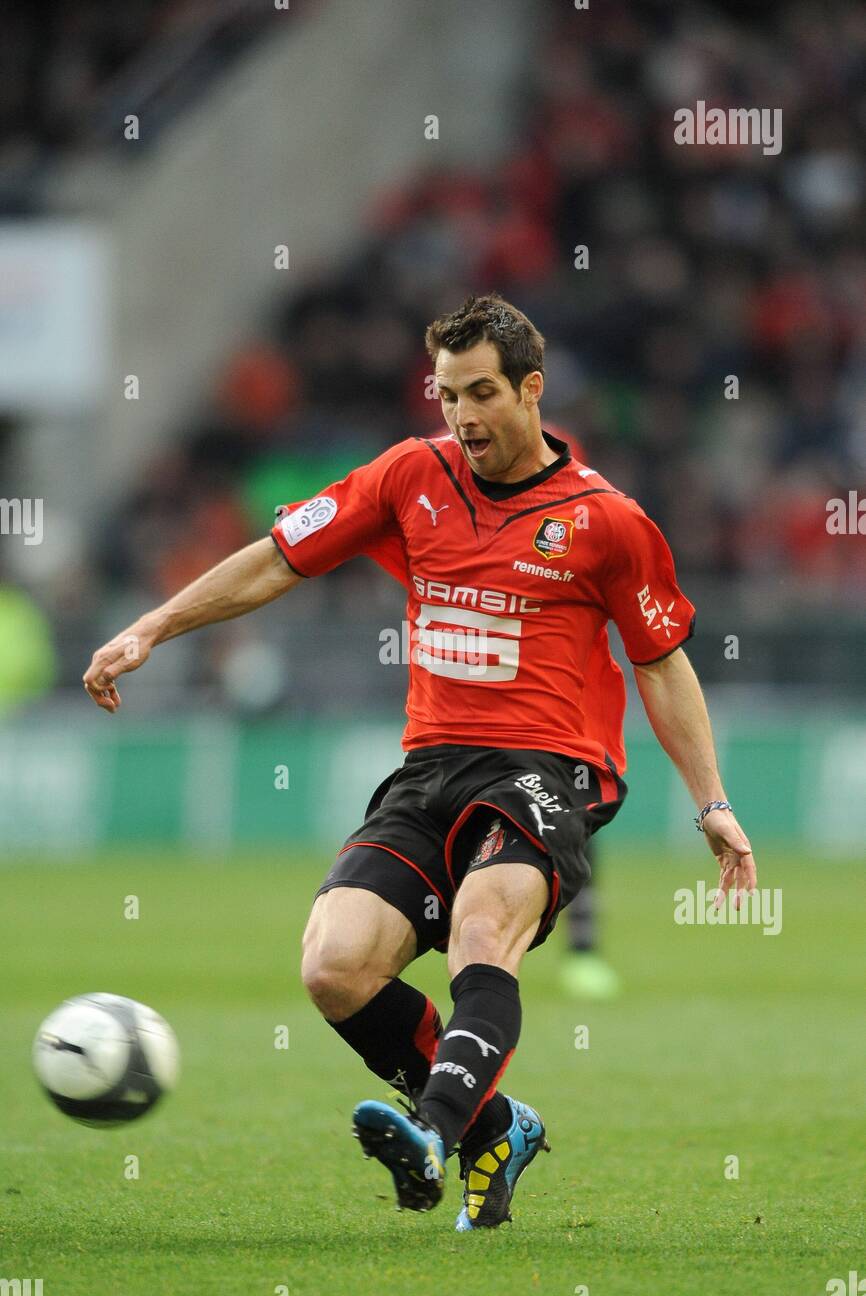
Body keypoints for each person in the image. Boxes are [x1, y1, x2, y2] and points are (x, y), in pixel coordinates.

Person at [83, 293, 757, 1231]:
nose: (463, 417)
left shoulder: (607, 523)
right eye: (446, 395)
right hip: (430, 765)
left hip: (546, 770)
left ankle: (435, 1133)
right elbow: (279, 559)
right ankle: (496, 1129)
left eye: (482, 393)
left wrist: (711, 802)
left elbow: (662, 665)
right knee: (334, 967)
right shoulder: (409, 476)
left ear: (532, 389)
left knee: (485, 932)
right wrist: (153, 626)